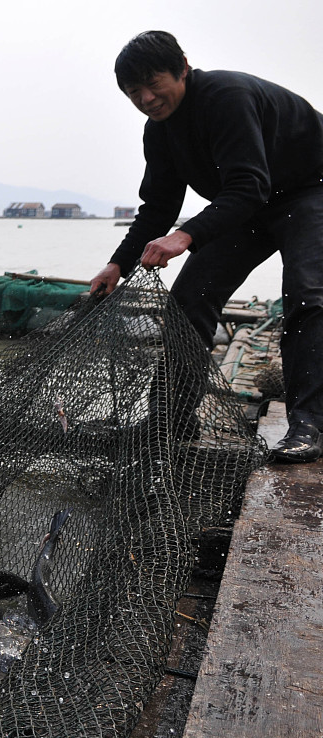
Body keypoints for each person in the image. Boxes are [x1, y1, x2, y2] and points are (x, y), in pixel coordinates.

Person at [90, 31, 323, 463]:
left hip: (310, 189)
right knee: (189, 298)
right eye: (132, 92)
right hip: (250, 204)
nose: (146, 98)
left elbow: (249, 184)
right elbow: (158, 209)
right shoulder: (159, 131)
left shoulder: (226, 96)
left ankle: (308, 423)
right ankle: (172, 418)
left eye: (152, 83)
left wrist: (187, 235)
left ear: (181, 66)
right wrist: (117, 264)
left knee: (307, 296)